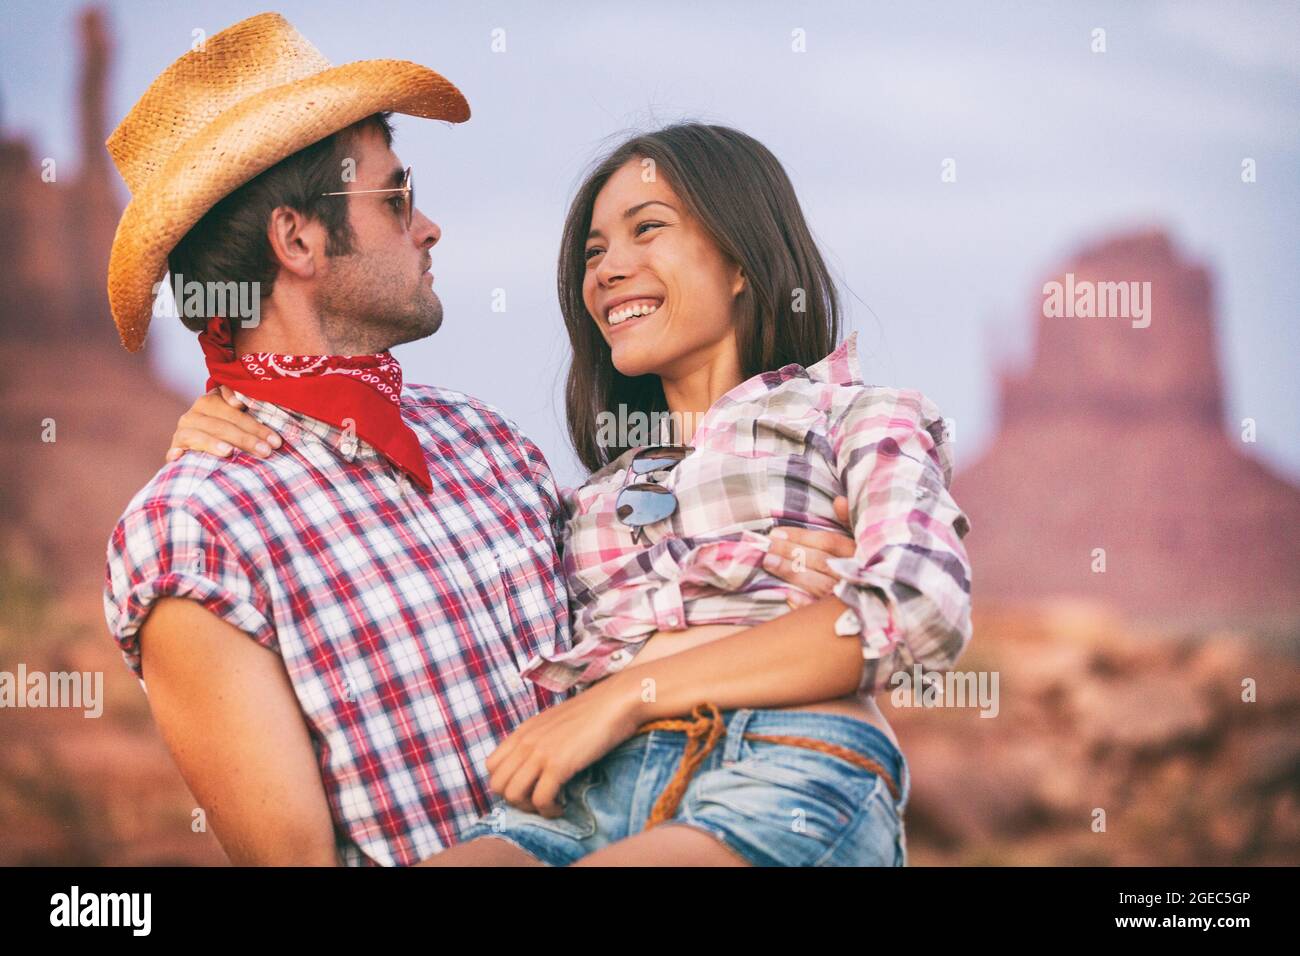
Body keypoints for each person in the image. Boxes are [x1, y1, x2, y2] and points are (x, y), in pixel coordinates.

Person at [102, 14, 854, 867]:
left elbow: (647, 613)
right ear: (298, 239)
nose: (429, 228)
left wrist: (806, 560)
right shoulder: (196, 529)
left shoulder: (482, 441)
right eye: (396, 200)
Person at [167, 122, 974, 866]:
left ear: (742, 259)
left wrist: (634, 691)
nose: (608, 267)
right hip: (580, 793)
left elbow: (916, 609)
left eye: (647, 227)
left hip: (780, 762)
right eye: (592, 250)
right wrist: (245, 405)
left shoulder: (857, 419)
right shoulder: (582, 501)